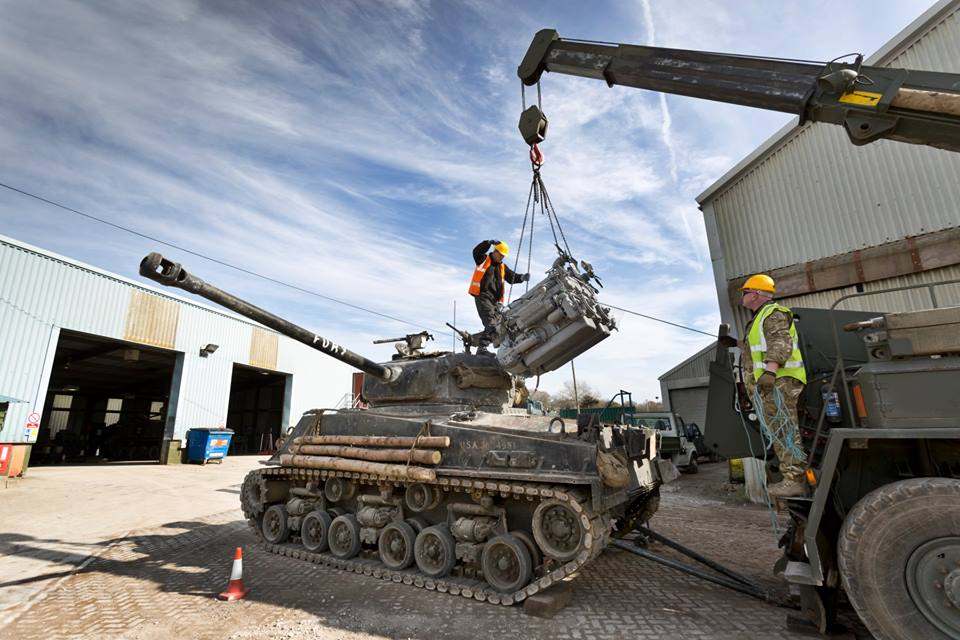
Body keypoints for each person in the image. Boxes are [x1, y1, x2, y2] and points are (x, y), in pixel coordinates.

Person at [739, 274, 808, 500]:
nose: (743, 296)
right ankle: (791, 476)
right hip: (769, 386)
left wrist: (770, 371)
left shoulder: (773, 313)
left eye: (745, 292)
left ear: (756, 294)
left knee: (784, 429)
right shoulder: (760, 318)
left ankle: (794, 480)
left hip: (779, 382)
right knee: (779, 429)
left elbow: (780, 342)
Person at [468, 239, 529, 353]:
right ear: (495, 251)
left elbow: (511, 277)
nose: (502, 258)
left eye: (503, 256)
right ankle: (482, 348)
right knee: (491, 322)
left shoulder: (502, 267)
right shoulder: (483, 259)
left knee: (499, 325)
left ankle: (478, 341)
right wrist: (488, 243)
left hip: (495, 301)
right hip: (482, 296)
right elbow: (476, 251)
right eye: (500, 255)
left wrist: (522, 278)